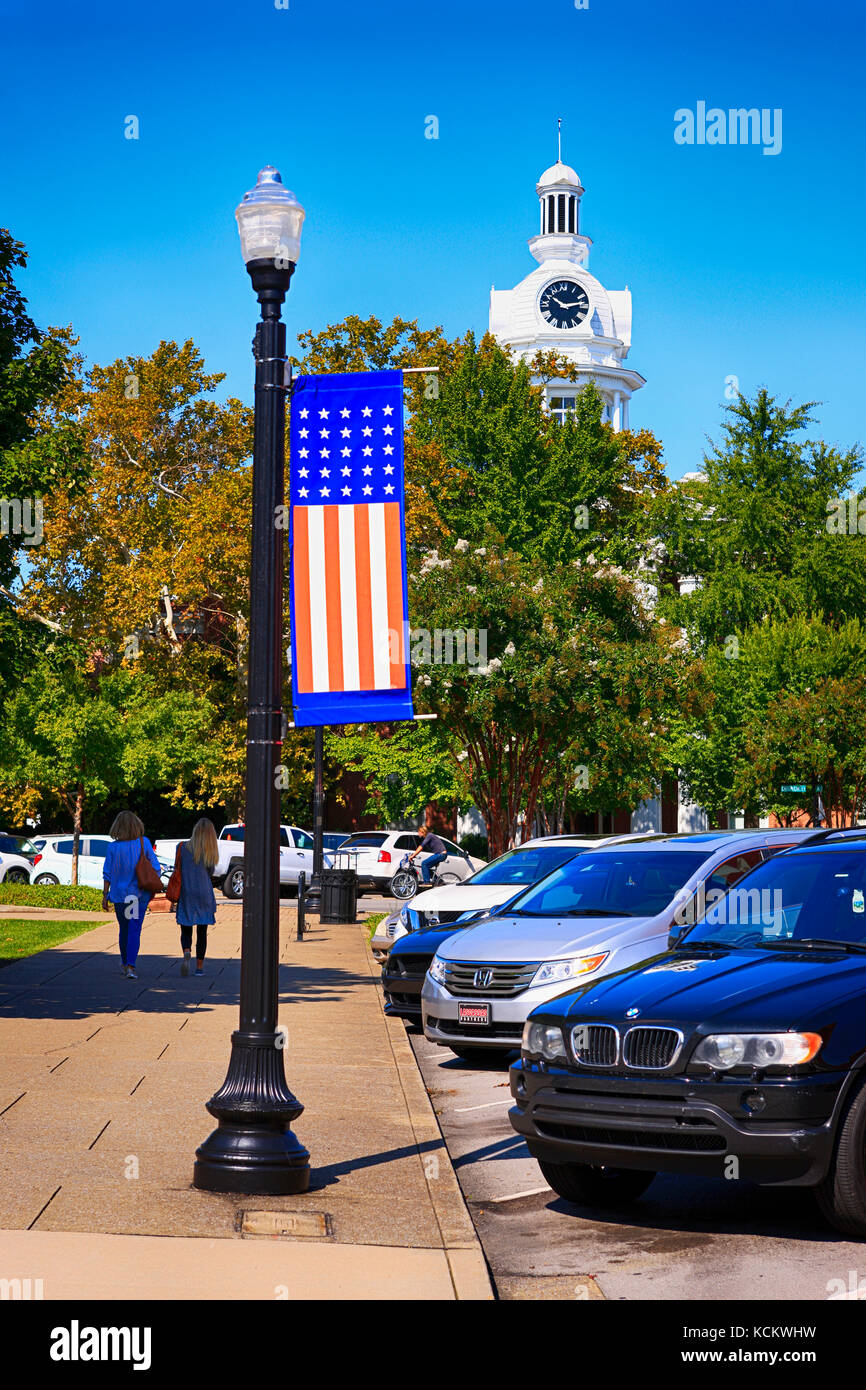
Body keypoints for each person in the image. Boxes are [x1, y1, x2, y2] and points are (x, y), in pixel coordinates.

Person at [102, 812, 163, 980]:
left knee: (124, 929)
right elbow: (156, 868)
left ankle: (124, 962)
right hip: (136, 895)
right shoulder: (143, 843)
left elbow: (107, 873)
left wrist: (105, 895)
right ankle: (130, 966)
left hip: (119, 895)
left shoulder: (112, 847)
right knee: (134, 929)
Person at [175, 818, 218, 978]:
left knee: (186, 926)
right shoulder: (210, 849)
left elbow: (177, 868)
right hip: (204, 892)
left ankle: (186, 951)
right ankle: (199, 968)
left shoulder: (182, 847)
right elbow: (211, 871)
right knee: (202, 931)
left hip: (187, 891)